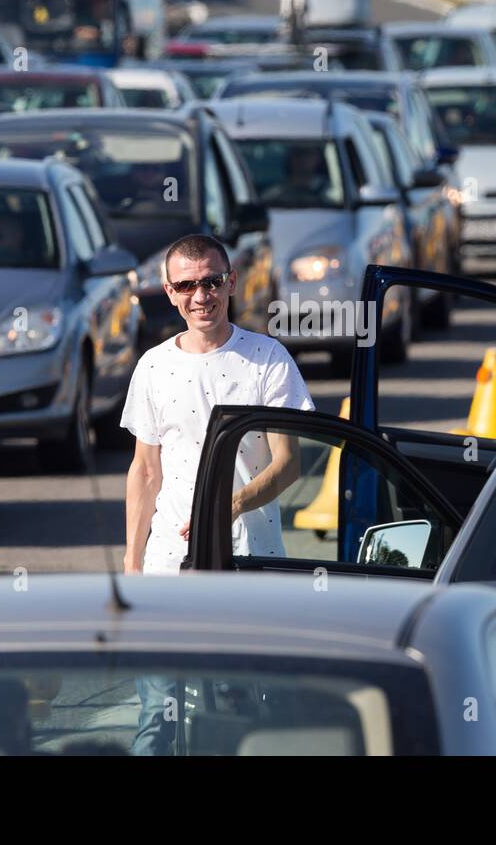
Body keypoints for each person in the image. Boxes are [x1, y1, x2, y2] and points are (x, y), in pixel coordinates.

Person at [120, 234, 313, 754]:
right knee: (157, 718)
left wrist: (226, 509)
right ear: (168, 291)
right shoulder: (153, 367)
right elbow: (144, 470)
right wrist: (132, 561)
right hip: (168, 563)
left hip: (248, 559)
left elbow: (288, 464)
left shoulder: (268, 359)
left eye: (211, 281)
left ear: (231, 282)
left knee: (239, 710)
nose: (200, 295)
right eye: (187, 285)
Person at [262, 145, 331, 204]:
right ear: (290, 158)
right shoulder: (273, 195)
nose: (302, 158)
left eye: (307, 153)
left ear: (318, 158)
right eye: (298, 153)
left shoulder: (332, 192)